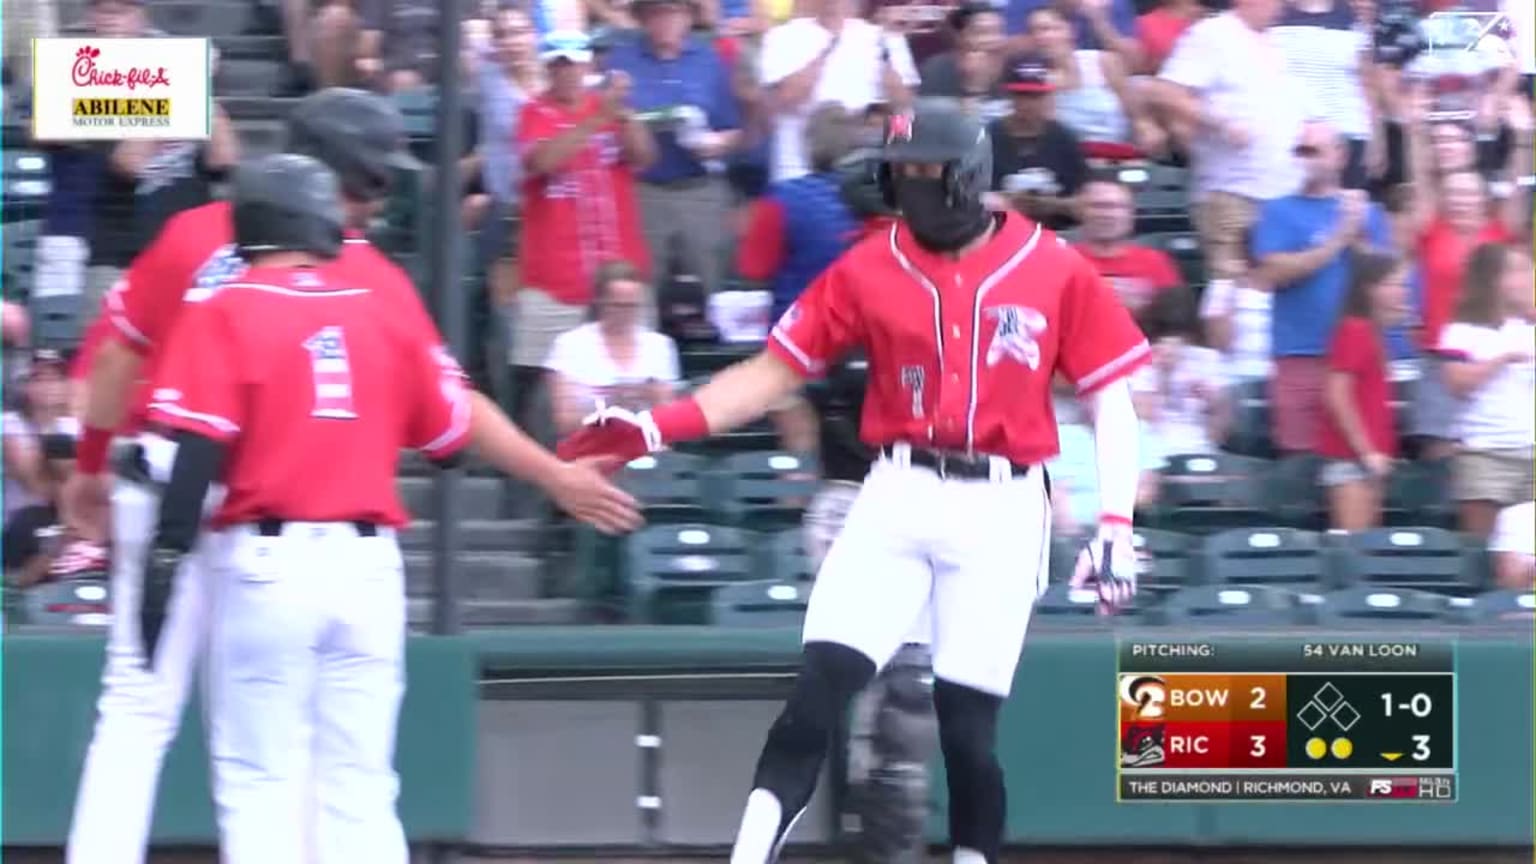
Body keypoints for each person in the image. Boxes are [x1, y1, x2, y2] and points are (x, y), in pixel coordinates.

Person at [555, 98, 1148, 864]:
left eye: (924, 171)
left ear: (967, 176)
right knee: (817, 695)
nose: (909, 186)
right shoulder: (871, 263)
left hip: (1003, 504)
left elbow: (1111, 402)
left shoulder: (1051, 265)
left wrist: (1116, 526)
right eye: (900, 172)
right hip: (898, 491)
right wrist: (653, 426)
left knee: (967, 731)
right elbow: (770, 375)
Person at [61, 88, 640, 864]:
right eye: (367, 181)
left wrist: (91, 465)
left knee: (145, 713)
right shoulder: (370, 281)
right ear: (327, 174)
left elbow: (113, 358)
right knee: (325, 763)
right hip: (306, 525)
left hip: (192, 493)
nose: (375, 197)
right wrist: (549, 474)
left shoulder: (196, 234)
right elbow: (451, 414)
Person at [137, 152, 461, 863]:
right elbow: (449, 443)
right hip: (370, 567)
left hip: (269, 565)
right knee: (362, 785)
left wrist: (164, 557)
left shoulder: (226, 308)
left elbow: (194, 455)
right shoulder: (383, 308)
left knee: (262, 784)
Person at [1250, 124, 1391, 456]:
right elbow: (1271, 273)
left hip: (1357, 355)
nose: (1304, 159)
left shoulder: (1368, 212)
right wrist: (1336, 240)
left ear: (1340, 156)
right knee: (1301, 461)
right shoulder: (1277, 210)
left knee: (1361, 455)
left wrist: (1356, 236)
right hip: (1300, 352)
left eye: (1313, 150)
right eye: (1299, 150)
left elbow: (1383, 280)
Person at [1435, 243, 1536, 539]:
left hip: (1530, 450)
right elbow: (1456, 384)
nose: (1526, 278)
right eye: (1515, 271)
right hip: (1485, 453)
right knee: (1482, 546)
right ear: (1491, 278)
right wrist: (1501, 360)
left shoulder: (1528, 327)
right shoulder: (1461, 331)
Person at [1316, 251, 1408, 531]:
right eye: (1394, 284)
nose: (1402, 292)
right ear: (1370, 289)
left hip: (1370, 461)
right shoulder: (1354, 330)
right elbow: (1336, 395)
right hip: (1352, 460)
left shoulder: (1372, 333)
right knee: (1353, 550)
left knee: (1367, 551)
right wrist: (1366, 452)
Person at [546, 260, 682, 434]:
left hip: (647, 448)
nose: (625, 314)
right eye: (618, 305)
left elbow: (670, 423)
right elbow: (564, 423)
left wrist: (657, 399)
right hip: (588, 448)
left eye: (632, 306)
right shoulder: (570, 345)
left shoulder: (660, 346)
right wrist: (612, 404)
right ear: (600, 302)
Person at [988, 54, 1090, 230]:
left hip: (1060, 233)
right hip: (1001, 233)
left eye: (1035, 96)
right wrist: (1007, 202)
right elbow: (970, 200)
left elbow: (1086, 205)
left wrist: (1047, 205)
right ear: (1009, 96)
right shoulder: (988, 137)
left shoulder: (1064, 138)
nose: (1028, 103)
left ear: (1047, 96)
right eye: (1021, 95)